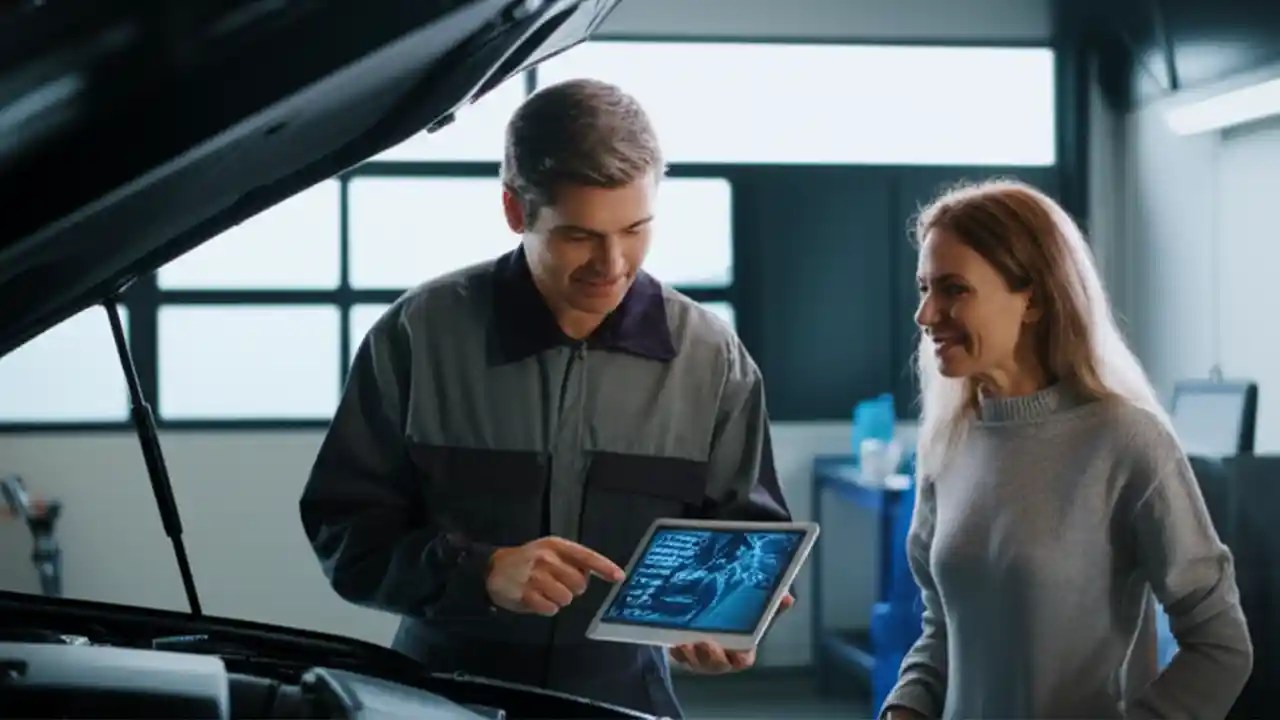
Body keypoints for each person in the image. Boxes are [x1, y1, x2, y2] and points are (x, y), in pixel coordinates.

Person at [298, 77, 794, 718]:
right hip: (443, 691)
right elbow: (345, 532)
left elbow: (747, 537)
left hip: (625, 699)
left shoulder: (712, 358)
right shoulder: (419, 336)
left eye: (636, 229)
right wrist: (477, 573)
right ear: (515, 210)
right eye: (579, 236)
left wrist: (725, 617)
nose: (613, 264)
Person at [881, 179, 1253, 720]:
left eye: (954, 289)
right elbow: (943, 631)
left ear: (1031, 298)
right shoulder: (950, 444)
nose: (926, 314)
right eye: (923, 289)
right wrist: (904, 710)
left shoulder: (1125, 441)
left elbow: (1221, 646)